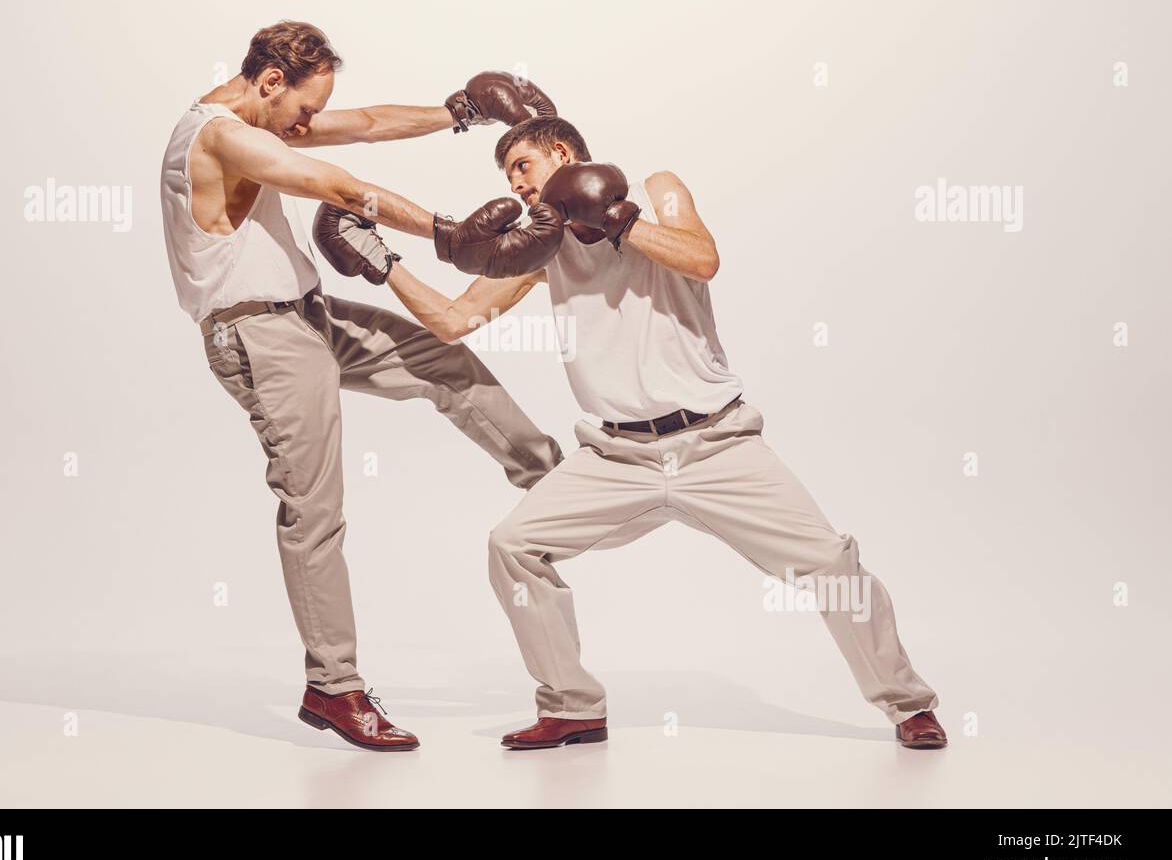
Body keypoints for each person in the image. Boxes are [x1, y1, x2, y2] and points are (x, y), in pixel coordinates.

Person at [313, 115, 947, 751]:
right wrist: (385, 264)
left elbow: (703, 260)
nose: (519, 188)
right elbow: (454, 320)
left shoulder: (657, 188)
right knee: (513, 546)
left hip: (717, 443)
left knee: (832, 563)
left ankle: (907, 704)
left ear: (561, 152)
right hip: (614, 456)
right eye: (508, 179)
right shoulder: (543, 248)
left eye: (522, 169)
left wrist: (620, 219)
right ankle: (571, 706)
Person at [159, 20, 565, 751]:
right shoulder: (220, 137)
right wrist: (446, 235)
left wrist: (461, 112)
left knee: (443, 363)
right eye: (305, 110)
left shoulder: (264, 115)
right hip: (260, 336)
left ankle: (548, 477)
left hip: (311, 315)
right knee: (314, 509)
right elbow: (335, 184)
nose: (310, 125)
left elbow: (370, 126)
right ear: (270, 82)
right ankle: (334, 686)